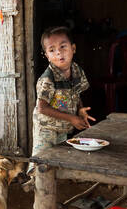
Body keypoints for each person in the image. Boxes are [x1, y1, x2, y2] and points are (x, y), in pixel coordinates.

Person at [32, 25, 94, 161]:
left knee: (57, 159)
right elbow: (42, 108)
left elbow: (76, 94)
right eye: (52, 50)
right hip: (46, 129)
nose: (58, 53)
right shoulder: (48, 78)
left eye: (63, 47)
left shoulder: (77, 71)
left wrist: (80, 110)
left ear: (73, 49)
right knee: (42, 161)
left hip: (63, 127)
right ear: (47, 56)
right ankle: (32, 181)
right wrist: (72, 118)